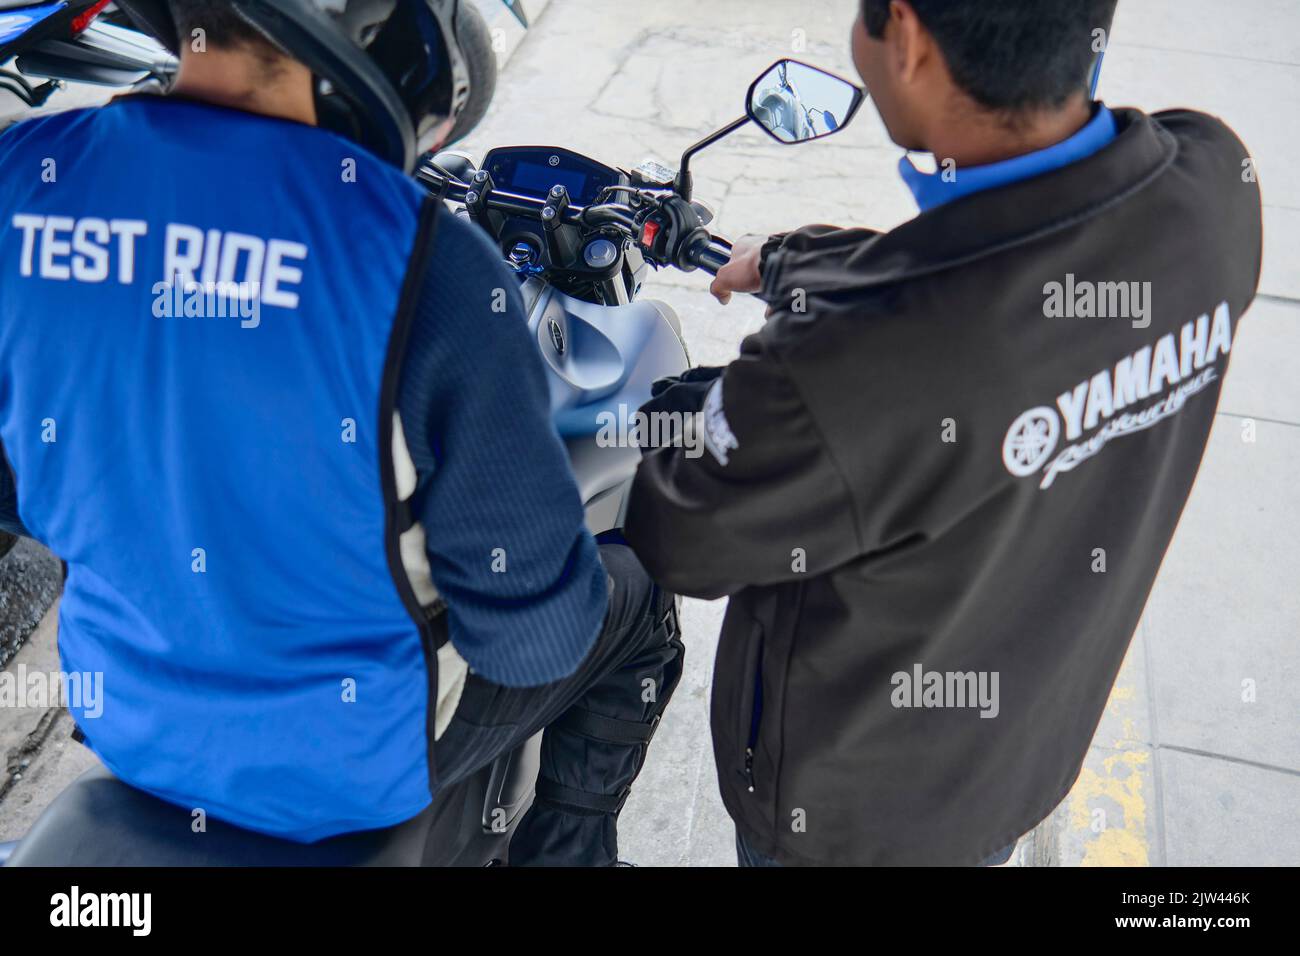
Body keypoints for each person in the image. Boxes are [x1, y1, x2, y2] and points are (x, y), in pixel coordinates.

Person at [0, 0, 682, 866]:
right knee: (638, 591)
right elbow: (527, 638)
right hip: (348, 771)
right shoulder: (422, 258)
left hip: (131, 720)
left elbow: (18, 492)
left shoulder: (22, 179)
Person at [625, 0, 1262, 866]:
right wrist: (802, 263)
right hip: (1013, 763)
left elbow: (683, 537)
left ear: (910, 38)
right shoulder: (1216, 185)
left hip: (844, 817)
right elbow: (1021, 256)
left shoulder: (850, 367)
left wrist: (699, 404)